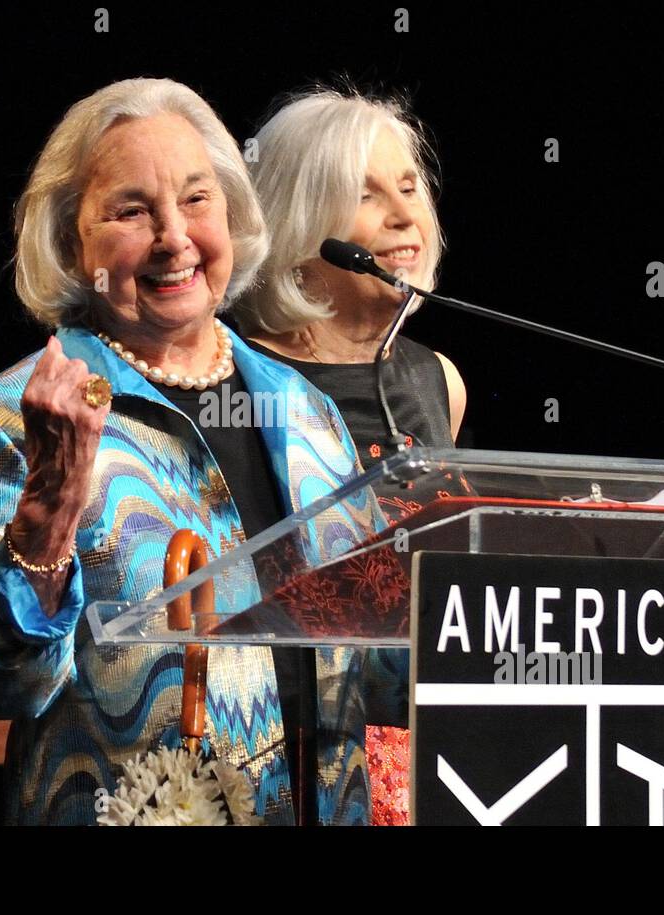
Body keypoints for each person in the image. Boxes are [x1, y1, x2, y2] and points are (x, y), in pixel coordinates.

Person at [0, 78, 406, 826]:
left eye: (196, 199)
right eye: (131, 211)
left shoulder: (305, 411)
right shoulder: (16, 414)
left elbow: (380, 674)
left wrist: (475, 577)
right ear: (69, 242)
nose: (174, 237)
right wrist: (50, 513)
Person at [233, 87, 468, 825]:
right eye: (367, 196)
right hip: (292, 752)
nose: (405, 216)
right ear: (302, 224)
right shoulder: (241, 383)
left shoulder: (441, 380)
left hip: (431, 753)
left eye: (409, 188)